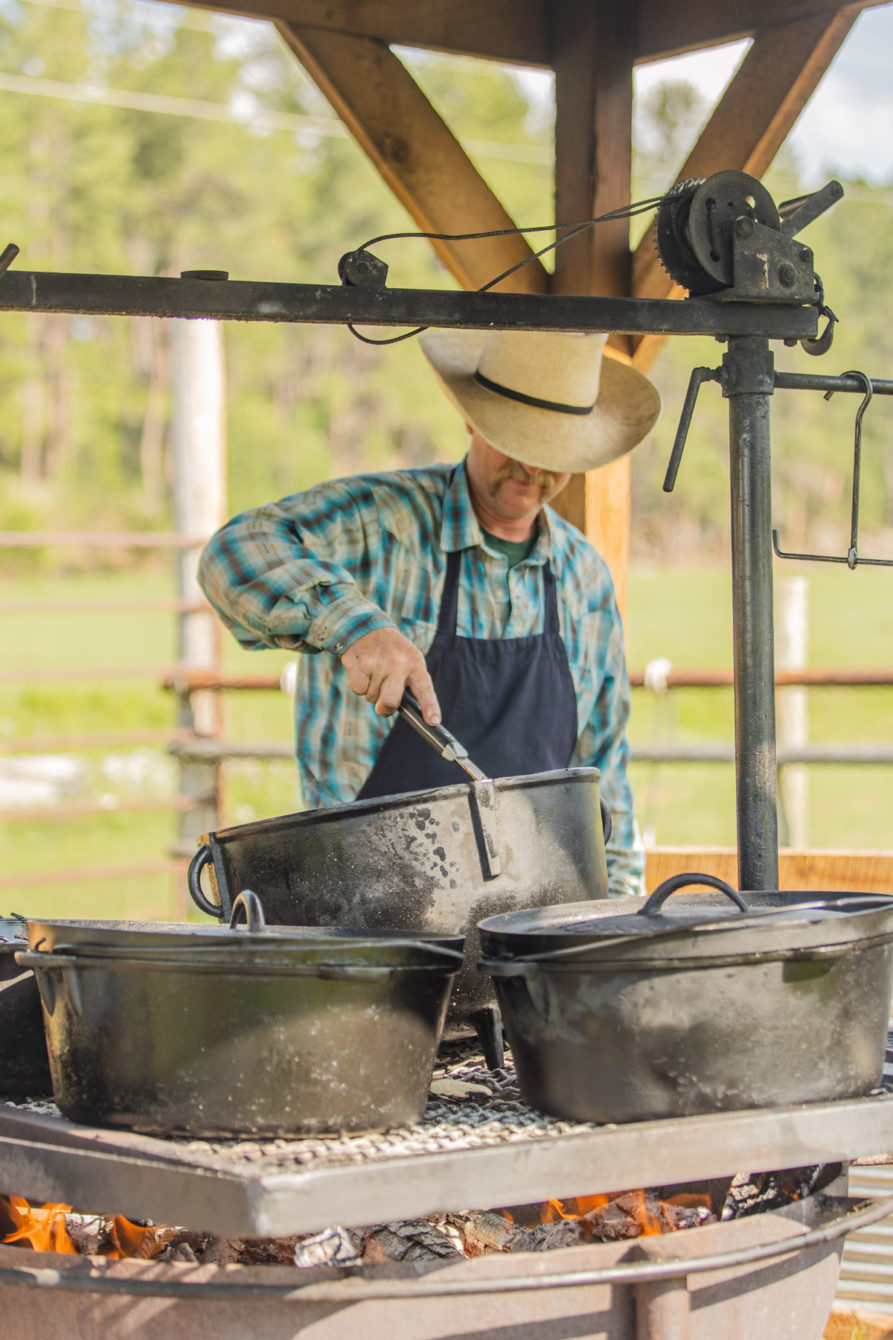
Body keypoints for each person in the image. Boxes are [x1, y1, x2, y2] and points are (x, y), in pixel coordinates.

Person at [198, 327, 661, 896]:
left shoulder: (585, 578)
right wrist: (354, 625)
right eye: (514, 438)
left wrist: (621, 910)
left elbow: (602, 771)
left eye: (551, 451)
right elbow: (233, 553)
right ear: (472, 420)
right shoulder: (380, 521)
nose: (529, 466)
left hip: (533, 917)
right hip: (368, 903)